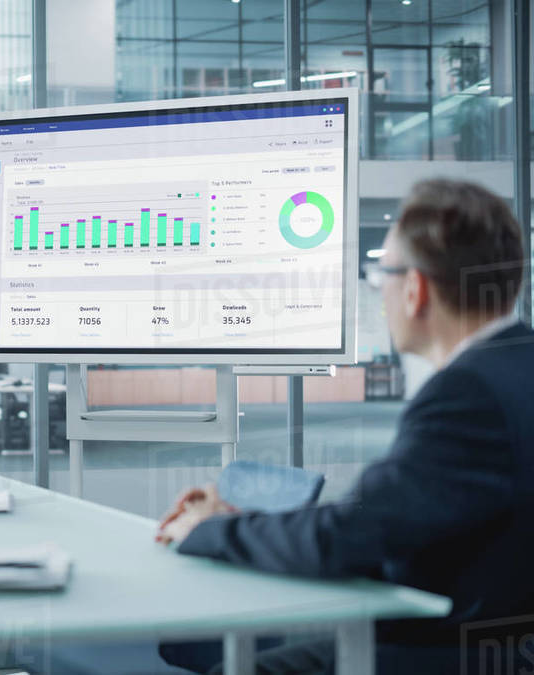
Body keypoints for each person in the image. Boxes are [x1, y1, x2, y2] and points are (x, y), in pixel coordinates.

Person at [157, 179, 533, 675]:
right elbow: (395, 512)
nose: (381, 296)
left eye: (382, 279)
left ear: (415, 289)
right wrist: (248, 520)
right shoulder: (515, 366)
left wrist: (213, 529)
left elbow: (352, 537)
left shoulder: (467, 395)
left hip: (449, 651)